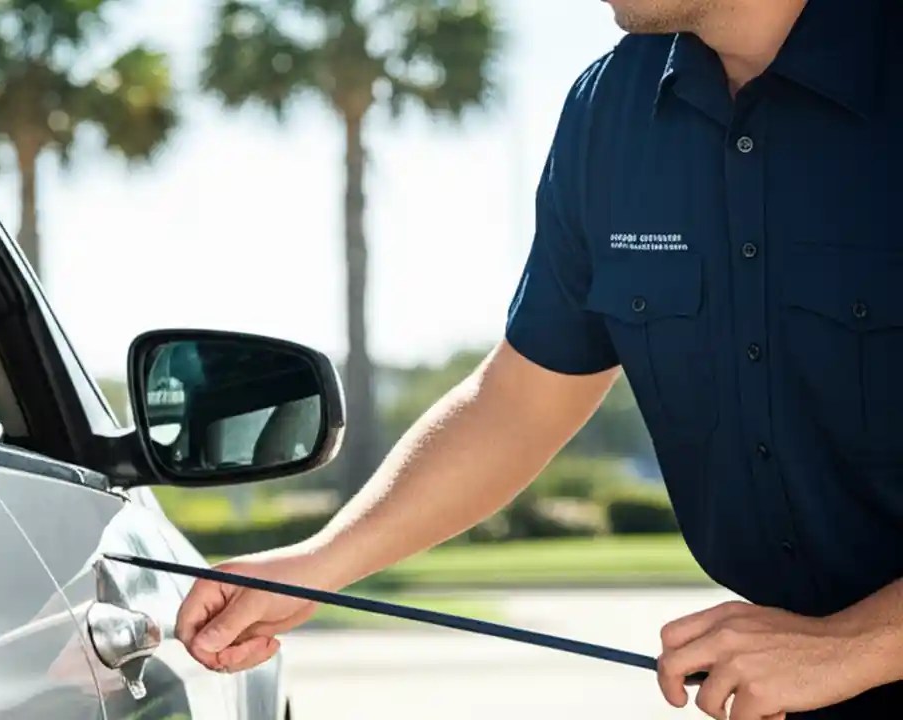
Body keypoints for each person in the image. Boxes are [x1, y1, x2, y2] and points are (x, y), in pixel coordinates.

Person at [173, 0, 903, 717]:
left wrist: (856, 644)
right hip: (786, 688)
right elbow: (518, 404)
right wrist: (315, 567)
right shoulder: (611, 114)